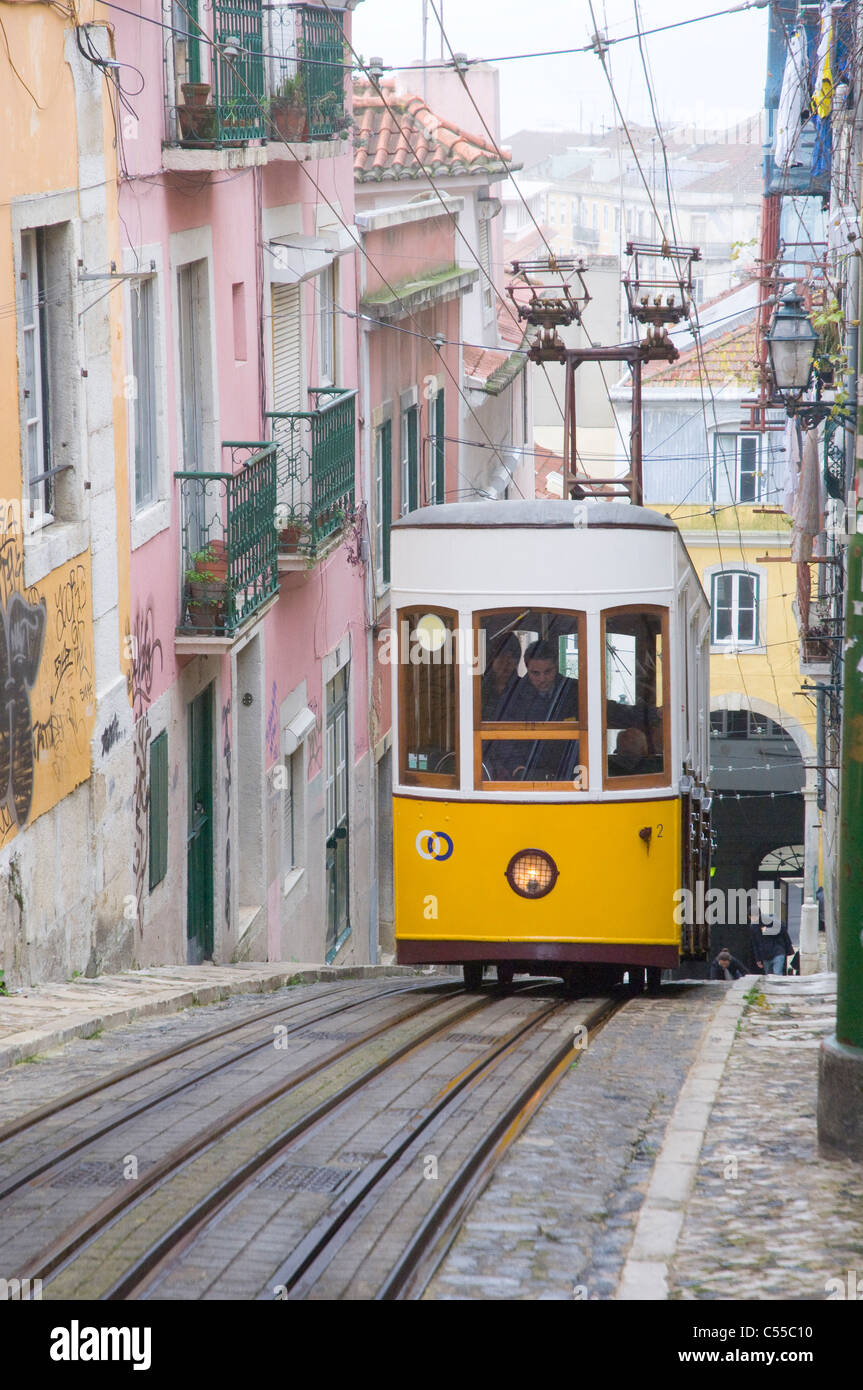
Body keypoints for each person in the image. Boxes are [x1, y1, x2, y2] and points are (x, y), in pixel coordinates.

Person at [480, 631, 521, 720]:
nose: (505, 665)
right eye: (502, 658)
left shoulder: (525, 687)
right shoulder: (479, 688)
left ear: (517, 662)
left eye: (511, 659)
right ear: (492, 660)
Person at [750, 909, 793, 976]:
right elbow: (755, 944)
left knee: (777, 974)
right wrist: (758, 959)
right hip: (765, 956)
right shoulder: (753, 927)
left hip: (777, 951)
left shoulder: (769, 920)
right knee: (769, 976)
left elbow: (781, 928)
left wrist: (767, 930)